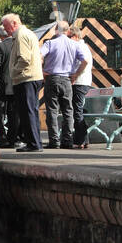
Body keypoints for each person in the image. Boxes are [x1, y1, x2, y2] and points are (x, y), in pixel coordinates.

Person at [1, 13, 43, 151]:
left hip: (26, 78)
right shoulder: (28, 33)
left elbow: (24, 59)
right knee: (32, 111)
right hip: (32, 77)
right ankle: (35, 142)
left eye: (6, 26)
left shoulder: (21, 35)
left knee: (27, 112)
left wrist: (13, 72)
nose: (4, 29)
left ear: (14, 23)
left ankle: (33, 144)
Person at [40, 19, 80, 149]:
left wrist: (42, 71)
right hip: (67, 80)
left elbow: (39, 56)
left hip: (52, 79)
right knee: (68, 110)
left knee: (52, 110)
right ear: (68, 31)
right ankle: (67, 141)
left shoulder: (50, 43)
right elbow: (84, 60)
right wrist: (76, 74)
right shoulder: (74, 45)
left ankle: (54, 141)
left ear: (56, 30)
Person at [67, 23, 93, 149]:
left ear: (76, 36)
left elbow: (84, 62)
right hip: (81, 82)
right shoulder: (82, 46)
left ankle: (80, 140)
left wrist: (75, 75)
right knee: (77, 110)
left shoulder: (79, 46)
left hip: (79, 82)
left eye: (69, 37)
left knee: (77, 111)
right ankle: (83, 139)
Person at [0, 30, 17, 148]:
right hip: (16, 83)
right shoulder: (17, 45)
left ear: (0, 35)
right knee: (14, 114)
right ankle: (13, 139)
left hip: (3, 85)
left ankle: (1, 137)